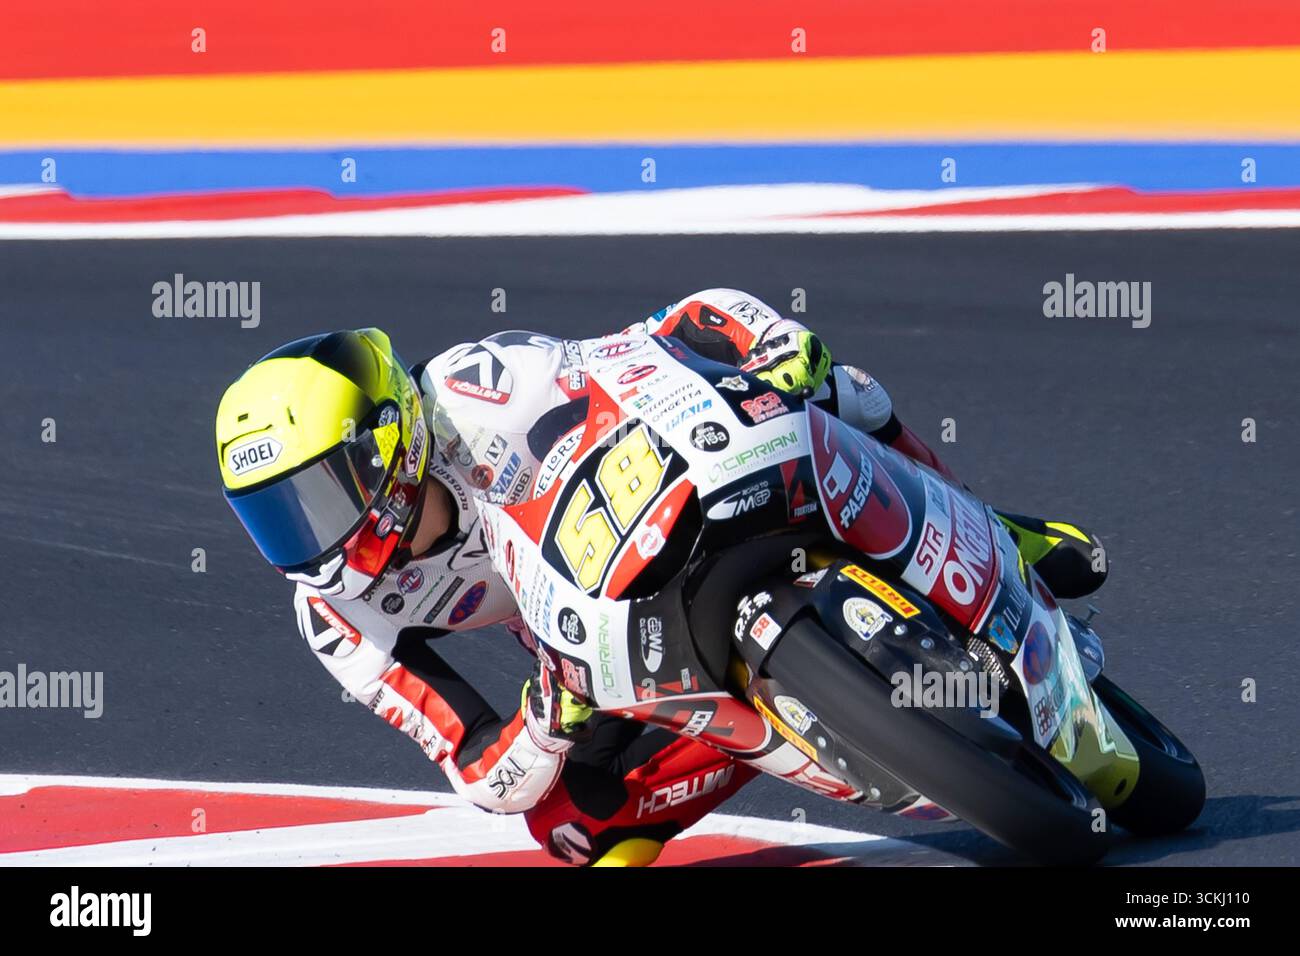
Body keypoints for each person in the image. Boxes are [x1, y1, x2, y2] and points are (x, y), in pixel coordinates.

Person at [215, 289, 1106, 865]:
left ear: (385, 437)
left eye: (317, 495)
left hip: (661, 496)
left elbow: (641, 351)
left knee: (837, 386)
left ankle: (992, 530)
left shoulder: (472, 390)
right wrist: (547, 720)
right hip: (584, 646)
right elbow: (480, 770)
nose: (313, 538)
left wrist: (768, 357)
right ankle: (774, 723)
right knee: (568, 828)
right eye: (277, 516)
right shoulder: (337, 614)